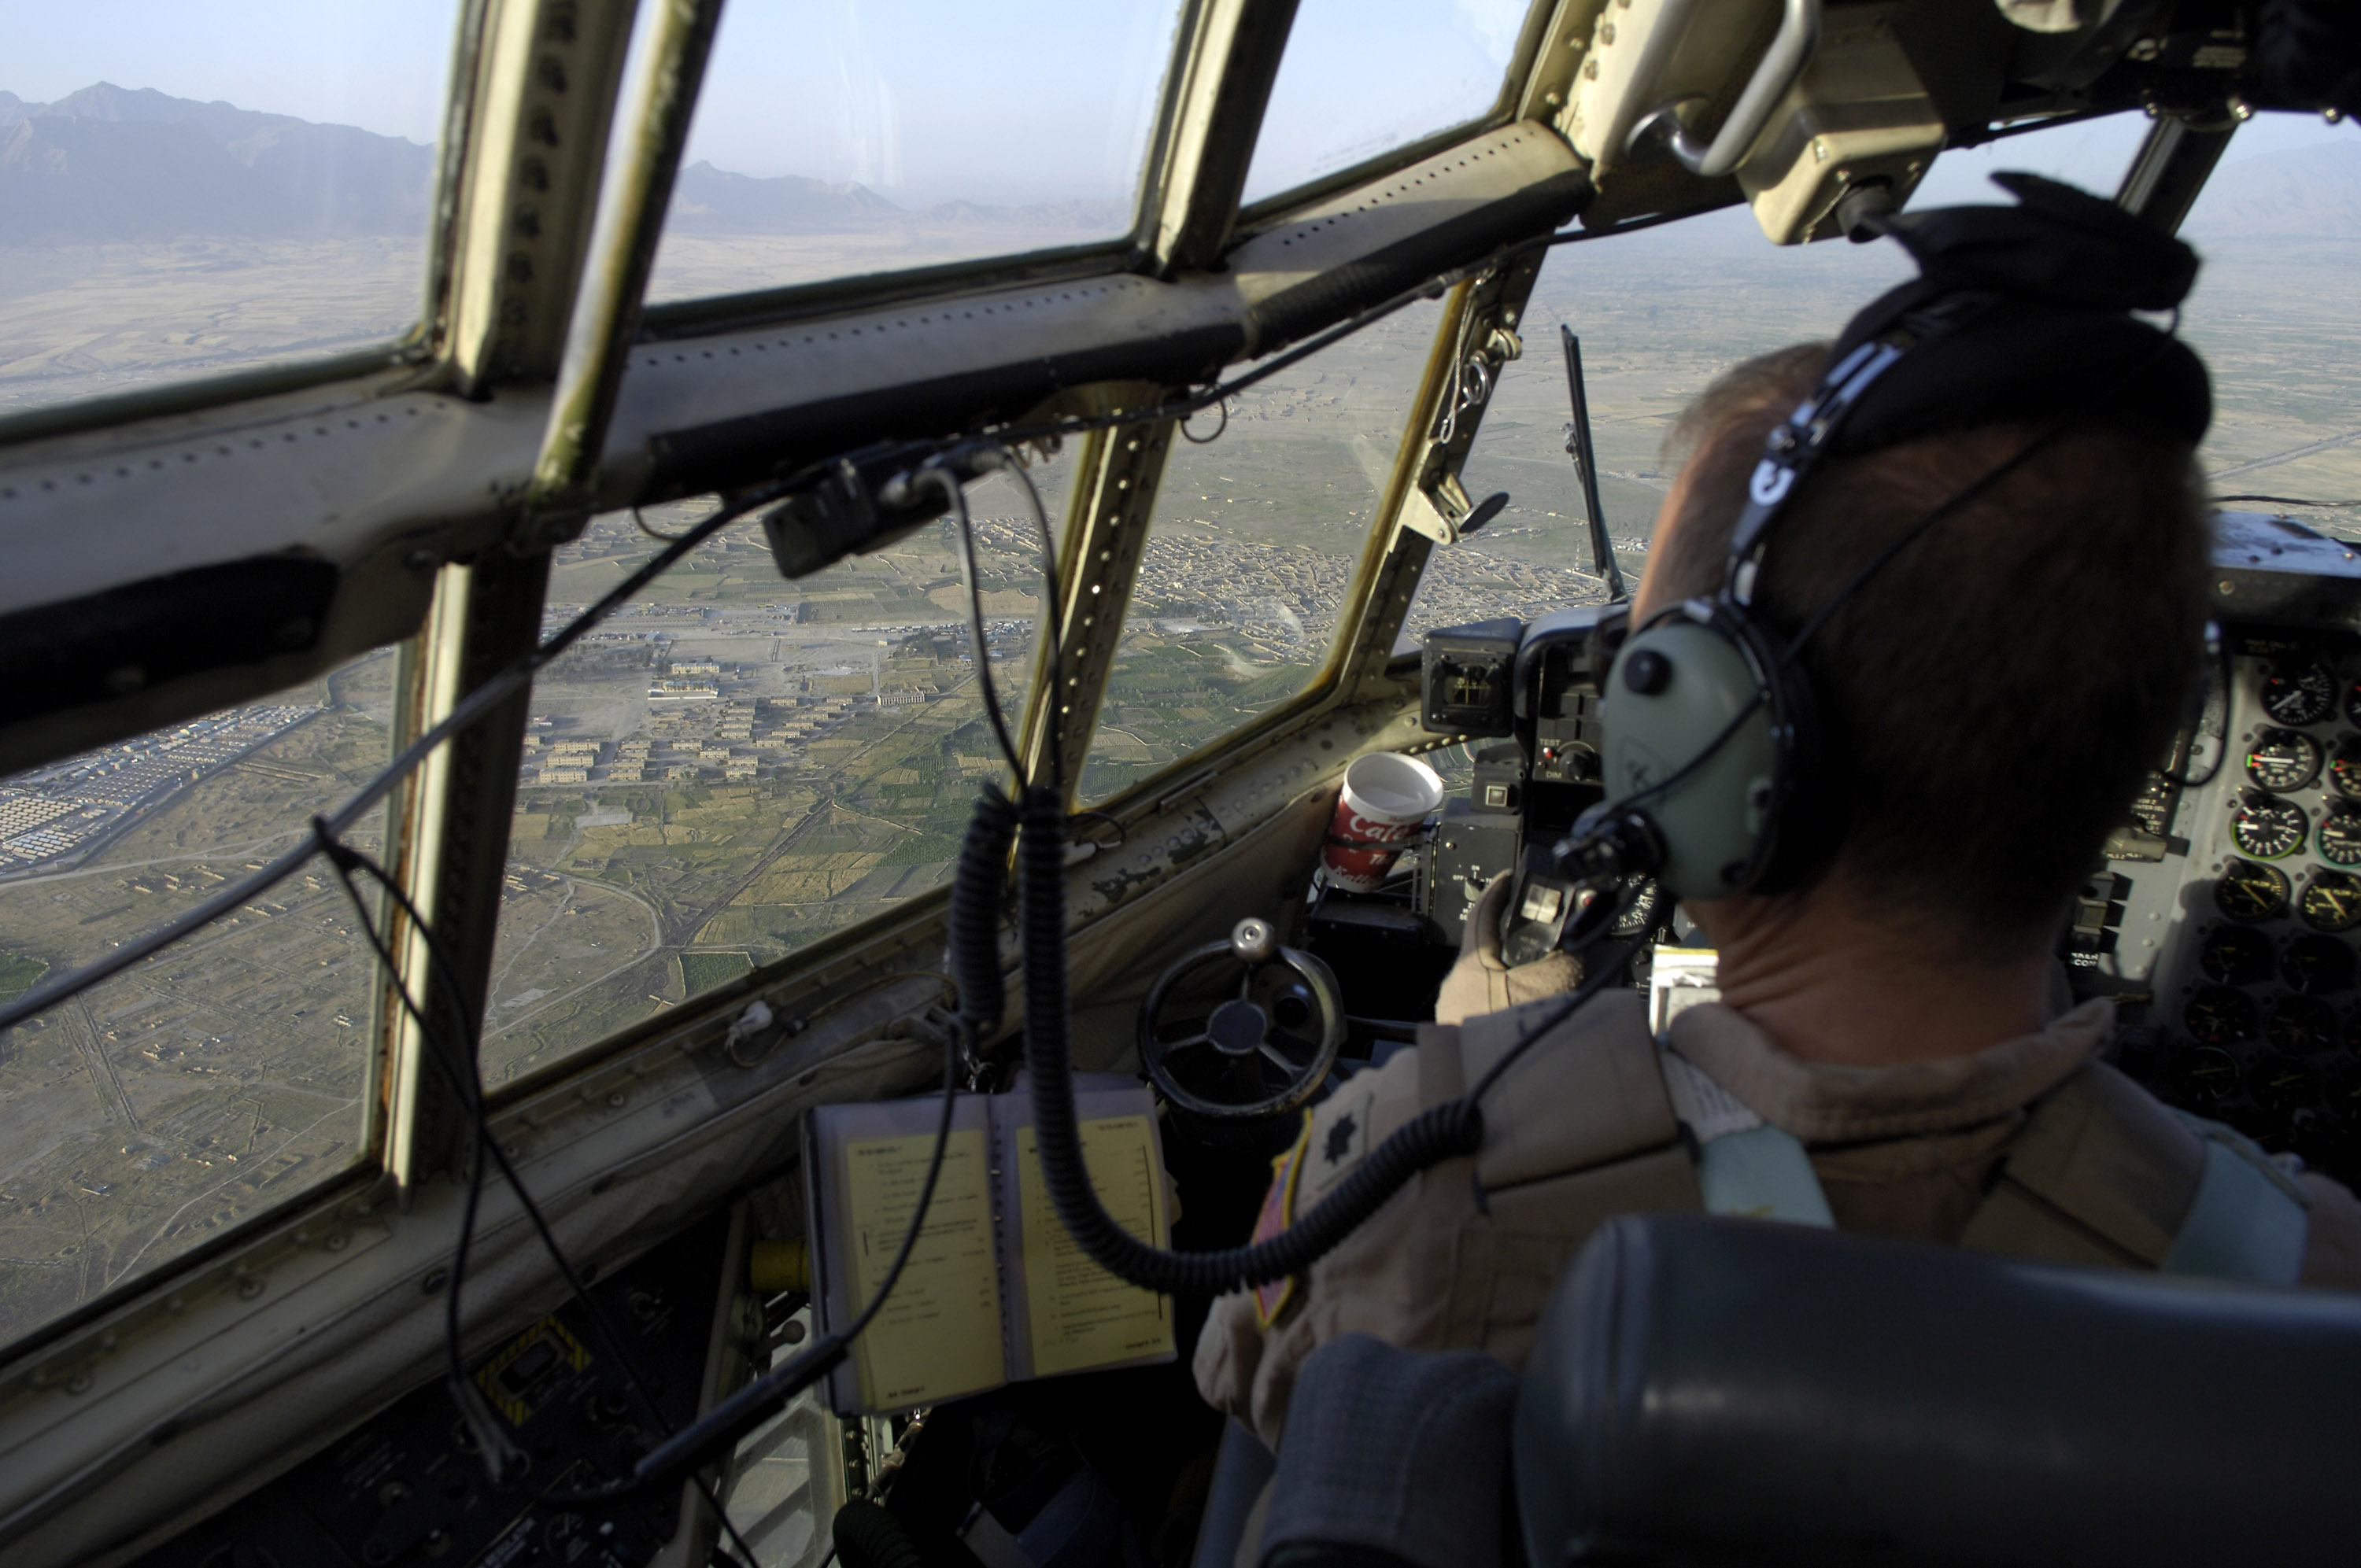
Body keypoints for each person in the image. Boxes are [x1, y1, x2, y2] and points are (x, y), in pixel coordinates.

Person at [1195, 201, 2361, 1454]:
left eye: (1646, 672)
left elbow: (1242, 1386)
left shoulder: (1413, 1188)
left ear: (1711, 740)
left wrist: (1490, 1058)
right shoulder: (2311, 1278)